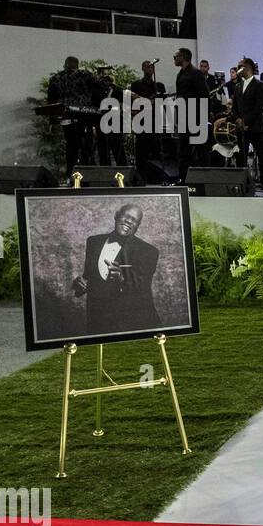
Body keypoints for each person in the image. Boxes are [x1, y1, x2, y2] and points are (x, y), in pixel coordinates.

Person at [73, 203, 161, 335]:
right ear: (116, 216)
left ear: (137, 227)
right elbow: (89, 276)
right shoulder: (93, 242)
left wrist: (122, 278)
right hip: (98, 321)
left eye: (134, 221)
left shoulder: (148, 251)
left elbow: (142, 288)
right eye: (126, 216)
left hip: (133, 323)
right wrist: (80, 284)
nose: (129, 221)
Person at [47, 56, 102, 179]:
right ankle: (86, 172)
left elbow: (51, 101)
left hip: (66, 116)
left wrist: (52, 120)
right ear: (77, 65)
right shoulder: (85, 75)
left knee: (71, 143)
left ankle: (70, 173)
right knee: (85, 142)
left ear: (65, 64)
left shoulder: (56, 78)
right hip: (84, 115)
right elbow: (99, 90)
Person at [173, 47, 209, 183]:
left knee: (201, 150)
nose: (174, 59)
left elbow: (204, 95)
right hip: (184, 117)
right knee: (183, 151)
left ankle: (206, 179)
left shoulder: (196, 73)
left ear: (183, 57)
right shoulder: (180, 74)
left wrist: (202, 117)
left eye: (175, 56)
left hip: (195, 117)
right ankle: (183, 178)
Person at [234, 57, 263, 185]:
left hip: (256, 126)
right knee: (241, 154)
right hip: (241, 127)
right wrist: (238, 119)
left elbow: (259, 107)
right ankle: (243, 181)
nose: (238, 69)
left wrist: (246, 121)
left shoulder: (260, 85)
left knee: (261, 154)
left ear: (248, 68)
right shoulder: (238, 86)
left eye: (240, 66)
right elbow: (235, 106)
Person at [130, 60, 167, 183]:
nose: (150, 69)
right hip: (142, 122)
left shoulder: (159, 86)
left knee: (156, 150)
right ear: (142, 68)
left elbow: (164, 105)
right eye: (147, 67)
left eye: (151, 67)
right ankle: (141, 178)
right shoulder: (136, 85)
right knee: (141, 151)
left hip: (155, 121)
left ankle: (156, 178)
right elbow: (133, 105)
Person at [92, 65, 127, 168]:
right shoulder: (95, 88)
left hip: (113, 121)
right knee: (104, 149)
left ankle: (121, 171)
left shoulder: (115, 89)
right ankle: (106, 173)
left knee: (117, 148)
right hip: (102, 120)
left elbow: (123, 99)